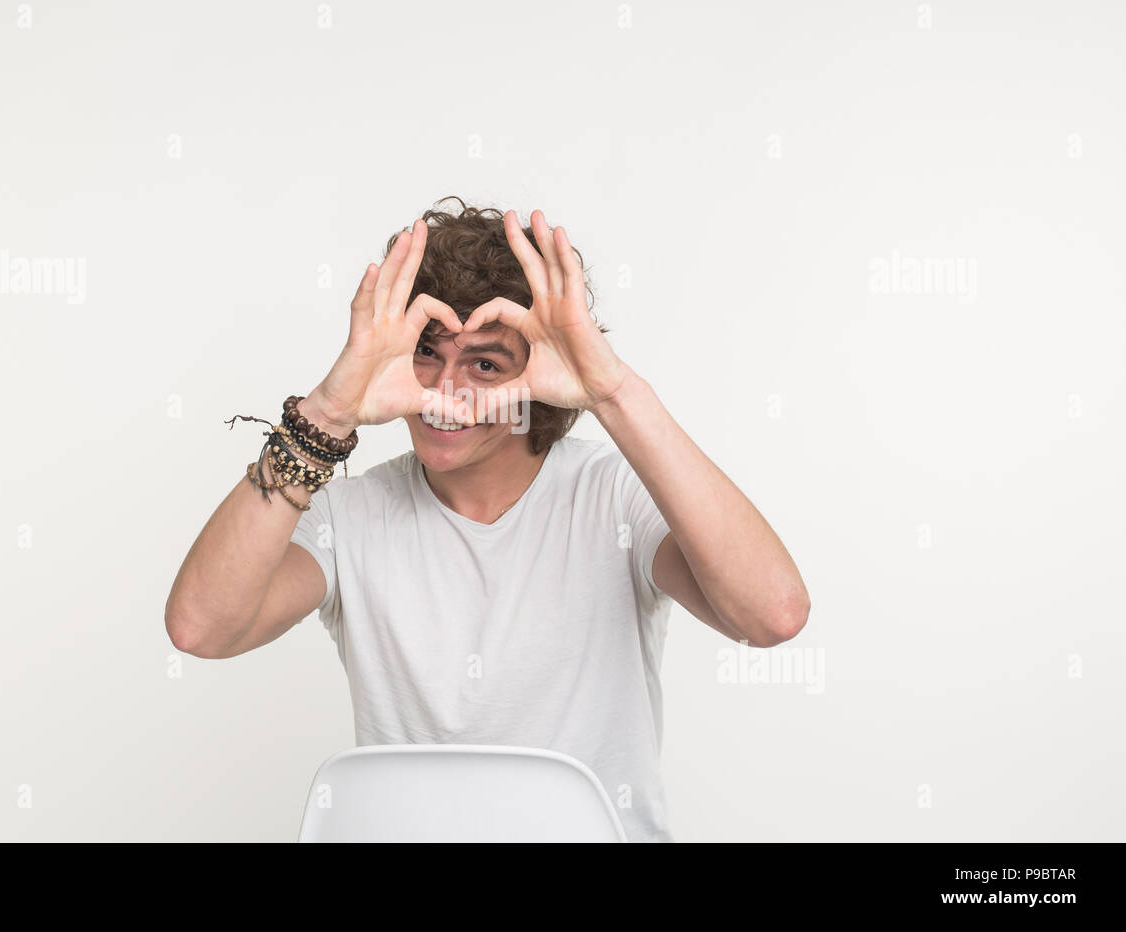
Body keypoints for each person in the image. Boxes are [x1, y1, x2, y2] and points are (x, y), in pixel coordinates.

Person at [164, 197, 810, 842]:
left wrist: (611, 390)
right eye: (427, 352)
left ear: (537, 376)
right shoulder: (349, 515)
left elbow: (772, 615)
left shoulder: (615, 496)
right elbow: (201, 628)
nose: (445, 391)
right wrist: (329, 412)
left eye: (485, 363)